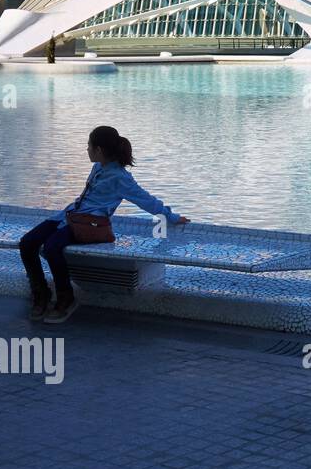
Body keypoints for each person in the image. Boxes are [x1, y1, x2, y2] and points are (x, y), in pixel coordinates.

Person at [20, 126, 189, 324]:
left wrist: (172, 216)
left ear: (98, 150)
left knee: (52, 248)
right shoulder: (98, 166)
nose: (87, 150)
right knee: (27, 243)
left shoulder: (120, 178)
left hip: (89, 224)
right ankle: (41, 293)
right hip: (68, 216)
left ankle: (66, 298)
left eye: (88, 146)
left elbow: (146, 200)